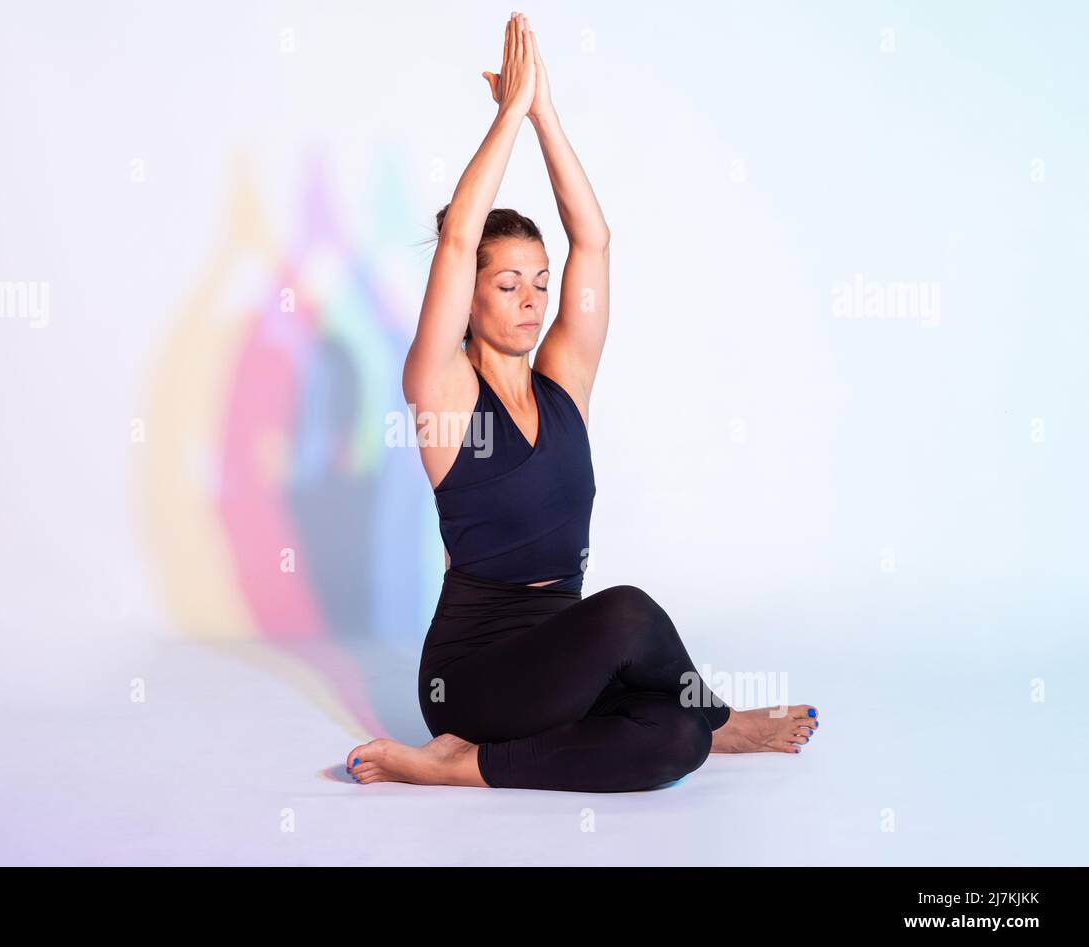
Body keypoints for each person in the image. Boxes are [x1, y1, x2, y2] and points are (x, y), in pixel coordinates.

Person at [346, 12, 818, 791]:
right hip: (474, 676)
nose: (532, 301)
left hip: (562, 658)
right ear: (467, 298)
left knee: (675, 741)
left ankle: (474, 766)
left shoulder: (564, 377)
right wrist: (504, 117)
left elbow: (593, 240)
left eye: (539, 283)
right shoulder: (443, 391)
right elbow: (459, 239)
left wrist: (543, 114)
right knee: (629, 612)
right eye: (507, 285)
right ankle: (721, 716)